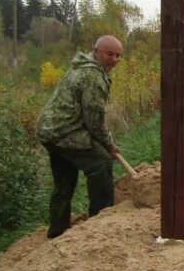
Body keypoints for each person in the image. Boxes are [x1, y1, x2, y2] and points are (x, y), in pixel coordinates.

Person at [36, 35, 124, 238]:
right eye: (109, 54)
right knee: (101, 163)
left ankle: (57, 232)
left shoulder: (81, 66)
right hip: (65, 132)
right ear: (96, 51)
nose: (114, 59)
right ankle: (101, 225)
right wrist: (108, 145)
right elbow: (94, 120)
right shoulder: (93, 77)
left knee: (64, 181)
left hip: (49, 132)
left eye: (118, 56)